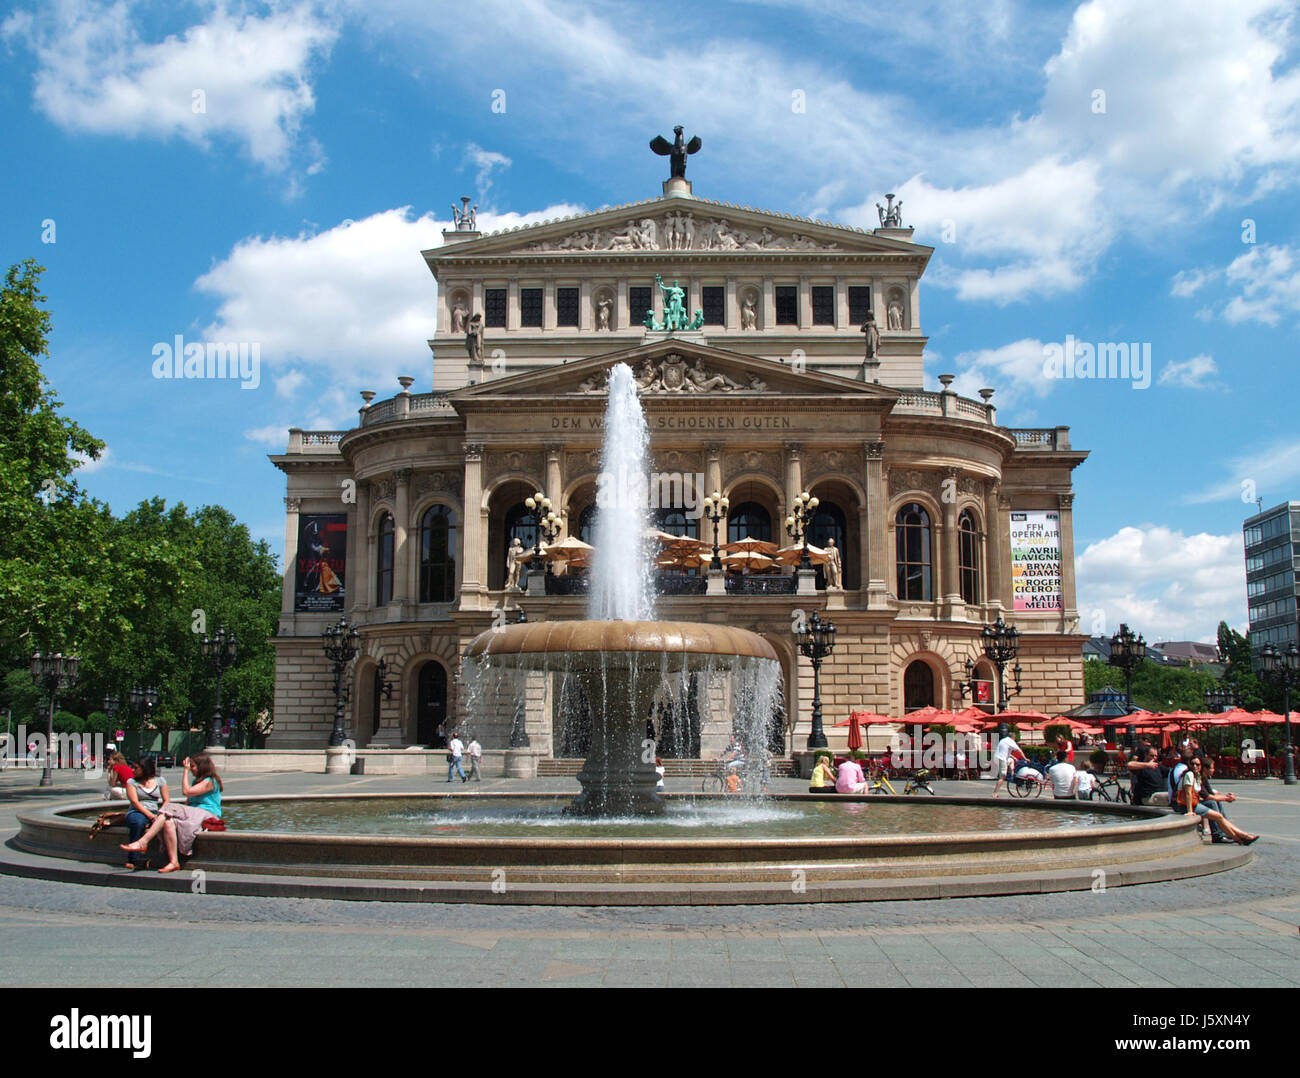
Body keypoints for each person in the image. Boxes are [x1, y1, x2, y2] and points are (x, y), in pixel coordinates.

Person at [121, 753, 223, 873]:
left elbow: (186, 792)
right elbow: (189, 802)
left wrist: (184, 771)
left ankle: (143, 842)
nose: (190, 768)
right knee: (168, 822)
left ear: (202, 766)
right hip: (195, 813)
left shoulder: (210, 781)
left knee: (168, 807)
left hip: (207, 813)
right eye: (190, 766)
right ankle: (174, 862)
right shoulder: (197, 781)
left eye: (193, 766)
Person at [1179, 758, 1257, 845]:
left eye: (1197, 764)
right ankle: (1240, 838)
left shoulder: (1197, 776)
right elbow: (1188, 793)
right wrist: (1190, 811)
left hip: (1194, 804)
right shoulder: (1190, 775)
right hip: (1186, 806)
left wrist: (1224, 797)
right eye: (1192, 764)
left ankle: (1241, 837)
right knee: (1218, 814)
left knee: (1219, 815)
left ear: (1201, 766)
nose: (1195, 766)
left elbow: (1207, 792)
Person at [122, 757, 168, 869]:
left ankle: (167, 857)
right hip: (137, 811)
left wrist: (160, 813)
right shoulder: (131, 782)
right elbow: (134, 801)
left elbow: (166, 800)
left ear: (145, 768)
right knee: (138, 823)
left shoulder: (160, 781)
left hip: (155, 811)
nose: (132, 770)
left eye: (136, 768)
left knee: (169, 824)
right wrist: (150, 816)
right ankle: (134, 858)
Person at [991, 725, 1026, 798]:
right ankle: (995, 793)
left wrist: (1013, 757)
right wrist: (1025, 758)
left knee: (1011, 760)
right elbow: (1019, 750)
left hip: (996, 758)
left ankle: (1012, 773)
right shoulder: (1011, 741)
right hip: (1001, 759)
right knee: (1002, 777)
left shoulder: (1003, 740)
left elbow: (1004, 751)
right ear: (1013, 737)